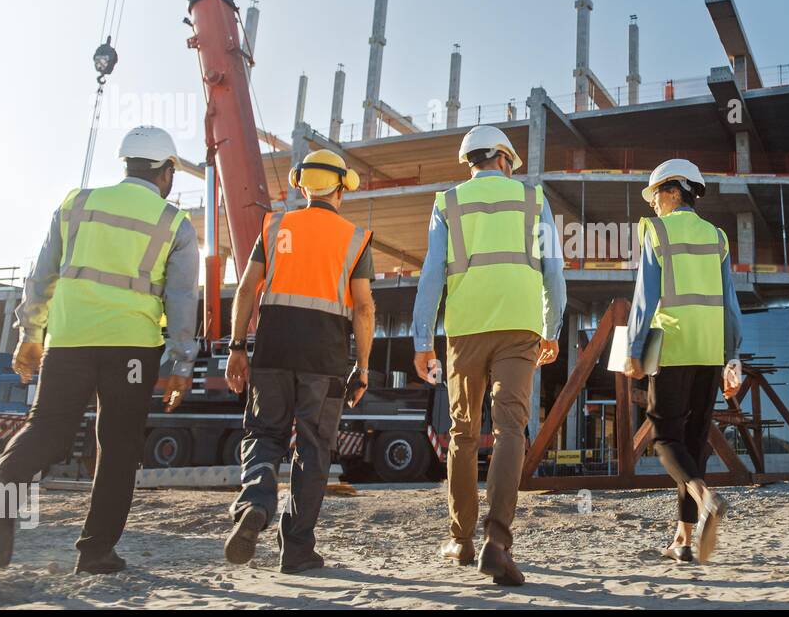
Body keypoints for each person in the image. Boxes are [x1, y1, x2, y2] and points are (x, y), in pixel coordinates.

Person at [0, 126, 198, 574]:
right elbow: (182, 300)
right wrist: (179, 363)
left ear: (126, 164)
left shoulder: (75, 204)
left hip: (69, 337)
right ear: (168, 172)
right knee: (117, 445)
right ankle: (95, 552)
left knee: (48, 428)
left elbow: (41, 276)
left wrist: (29, 335)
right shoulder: (175, 223)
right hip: (131, 345)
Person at [411, 125, 565, 586]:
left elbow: (431, 275)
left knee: (462, 431)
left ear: (470, 161)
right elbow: (553, 272)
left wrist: (423, 340)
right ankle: (497, 543)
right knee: (510, 429)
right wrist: (552, 328)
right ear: (504, 158)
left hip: (465, 331)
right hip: (521, 329)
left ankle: (460, 540)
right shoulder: (535, 201)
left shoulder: (447, 203)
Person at [223, 149, 375, 574]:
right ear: (341, 189)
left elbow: (248, 287)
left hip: (272, 350)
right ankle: (297, 550)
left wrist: (237, 346)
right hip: (324, 358)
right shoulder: (356, 238)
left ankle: (254, 502)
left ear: (302, 185)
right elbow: (363, 309)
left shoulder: (275, 226)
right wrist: (362, 367)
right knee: (313, 449)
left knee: (264, 433)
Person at [623, 158, 743, 564]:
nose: (653, 203)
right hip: (710, 350)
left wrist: (634, 349)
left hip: (672, 346)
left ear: (674, 190)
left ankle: (706, 498)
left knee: (664, 438)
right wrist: (731, 357)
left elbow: (645, 297)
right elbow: (730, 303)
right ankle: (684, 540)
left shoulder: (656, 231)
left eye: (655, 194)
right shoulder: (718, 238)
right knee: (693, 446)